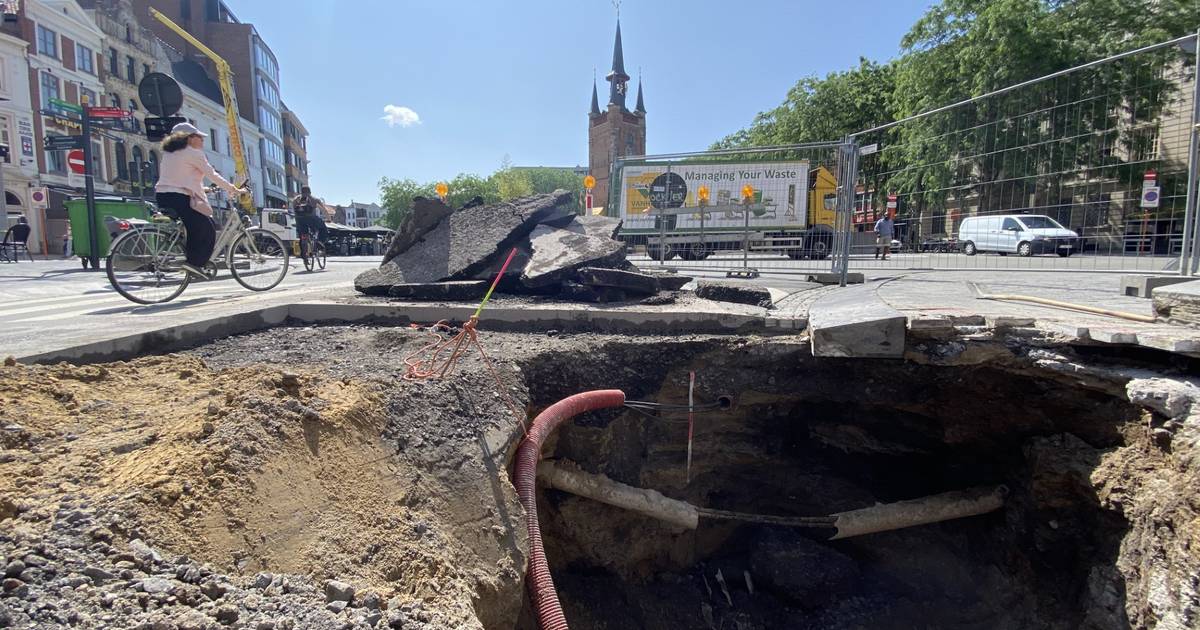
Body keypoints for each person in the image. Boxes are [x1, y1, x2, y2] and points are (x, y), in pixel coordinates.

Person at [154, 122, 246, 278]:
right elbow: (212, 175)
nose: (202, 140)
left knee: (194, 228)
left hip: (164, 196)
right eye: (199, 137)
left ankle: (190, 260)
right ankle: (195, 264)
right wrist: (233, 189)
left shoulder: (169, 154)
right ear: (189, 138)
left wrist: (203, 189)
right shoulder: (192, 153)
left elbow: (178, 179)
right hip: (180, 198)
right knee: (208, 228)